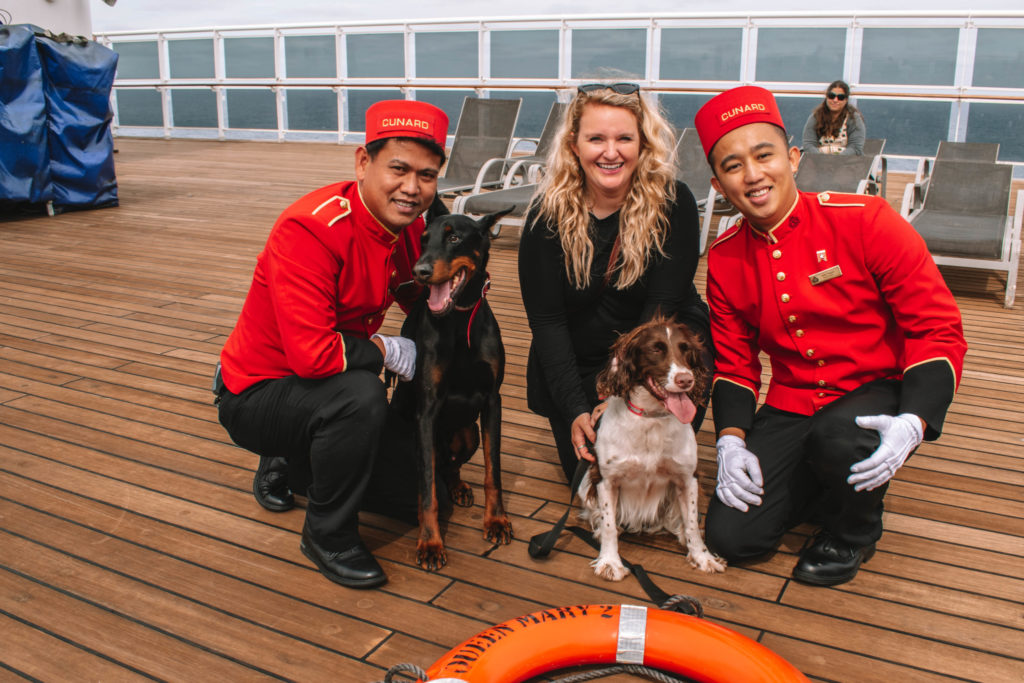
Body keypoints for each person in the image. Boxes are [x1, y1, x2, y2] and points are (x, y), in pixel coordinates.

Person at [694, 85, 967, 586]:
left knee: (837, 438)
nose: (752, 175)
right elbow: (735, 364)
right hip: (793, 401)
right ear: (717, 183)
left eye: (764, 155)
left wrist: (914, 419)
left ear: (793, 158)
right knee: (734, 538)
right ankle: (827, 481)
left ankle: (854, 533)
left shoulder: (865, 220)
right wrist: (730, 442)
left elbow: (936, 328)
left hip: (876, 387)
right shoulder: (726, 255)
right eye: (733, 166)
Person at [214, 99, 450, 589]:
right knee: (361, 393)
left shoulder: (404, 229)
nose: (412, 189)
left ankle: (299, 461)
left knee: (427, 498)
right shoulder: (311, 229)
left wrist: (456, 289)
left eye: (426, 176)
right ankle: (327, 534)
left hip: (327, 384)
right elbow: (313, 355)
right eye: (399, 169)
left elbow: (414, 297)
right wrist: (389, 351)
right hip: (259, 390)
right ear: (364, 162)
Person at [518, 82, 712, 484]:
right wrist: (575, 408)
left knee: (650, 477)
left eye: (625, 138)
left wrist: (618, 395)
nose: (611, 152)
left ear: (643, 144)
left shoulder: (673, 202)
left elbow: (659, 307)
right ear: (574, 145)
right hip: (575, 358)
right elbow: (547, 322)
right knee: (593, 481)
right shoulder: (545, 215)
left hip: (652, 354)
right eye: (596, 139)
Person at [801, 80, 865, 155]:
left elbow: (855, 148)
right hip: (817, 161)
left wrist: (835, 161)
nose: (835, 100)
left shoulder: (854, 119)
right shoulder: (815, 117)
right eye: (831, 96)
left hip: (847, 162)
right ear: (827, 97)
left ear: (846, 100)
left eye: (840, 97)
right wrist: (821, 159)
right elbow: (808, 144)